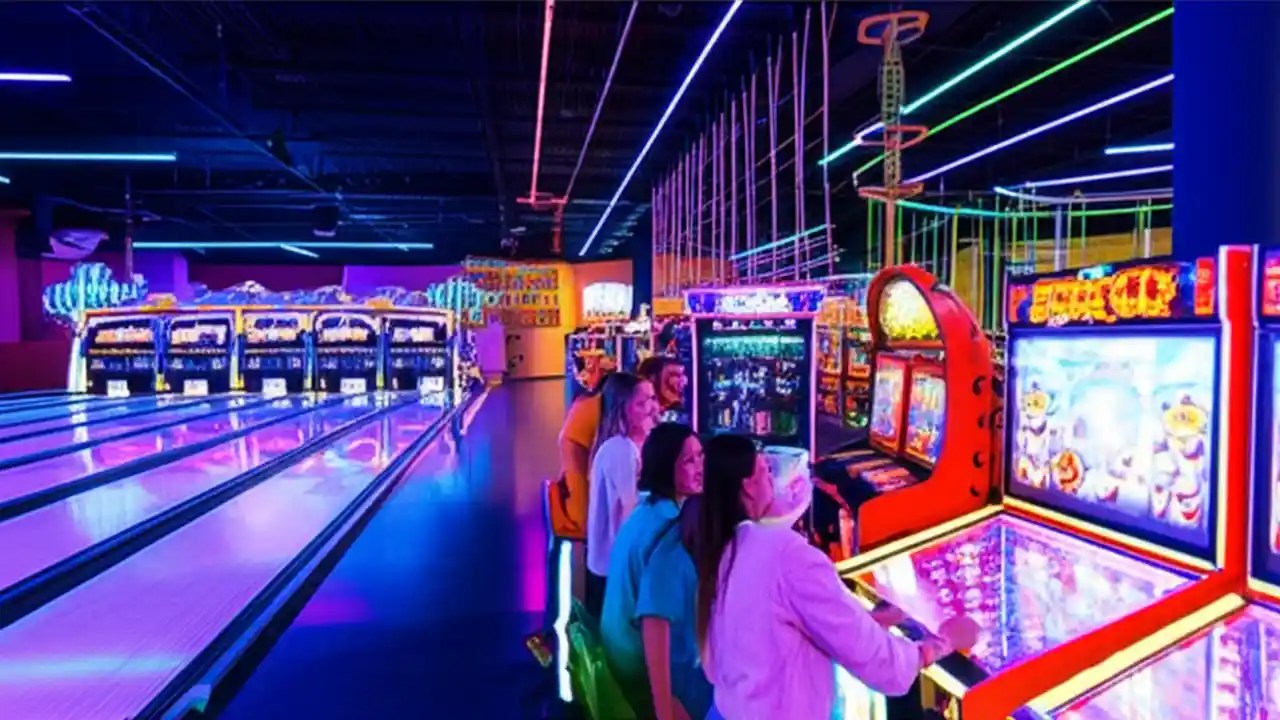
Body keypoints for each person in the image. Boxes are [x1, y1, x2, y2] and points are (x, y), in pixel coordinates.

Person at [695, 434, 979, 720]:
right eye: (767, 471)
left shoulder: (723, 551)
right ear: (748, 487)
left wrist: (868, 620)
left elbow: (774, 631)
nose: (775, 480)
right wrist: (942, 643)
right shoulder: (785, 554)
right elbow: (881, 664)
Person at [600, 423, 710, 720]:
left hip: (616, 648)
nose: (700, 468)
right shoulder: (671, 527)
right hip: (637, 664)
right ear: (664, 467)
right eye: (688, 461)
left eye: (701, 457)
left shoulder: (647, 509)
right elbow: (655, 619)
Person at [586, 373, 659, 616]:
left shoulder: (623, 445)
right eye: (642, 403)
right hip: (614, 569)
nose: (652, 409)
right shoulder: (622, 450)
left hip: (610, 565)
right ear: (623, 409)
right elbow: (632, 512)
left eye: (652, 399)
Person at [637, 355, 688, 422]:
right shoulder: (639, 410)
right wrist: (675, 406)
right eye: (675, 375)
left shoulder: (671, 409)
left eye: (683, 375)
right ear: (652, 378)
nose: (683, 381)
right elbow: (664, 429)